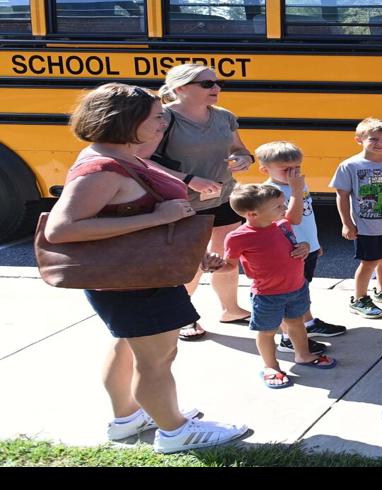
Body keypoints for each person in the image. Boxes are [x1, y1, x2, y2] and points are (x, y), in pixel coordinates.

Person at [45, 82, 248, 453]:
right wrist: (158, 218)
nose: (162, 124)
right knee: (157, 360)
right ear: (126, 121)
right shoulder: (102, 168)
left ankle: (127, 418)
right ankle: (175, 431)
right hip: (136, 282)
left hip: (133, 275)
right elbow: (60, 229)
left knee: (129, 345)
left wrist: (191, 254)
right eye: (156, 118)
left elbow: (128, 217)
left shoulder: (118, 156)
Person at [157, 63, 255, 339]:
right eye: (207, 84)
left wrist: (243, 159)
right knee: (191, 263)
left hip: (223, 196)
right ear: (180, 89)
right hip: (183, 201)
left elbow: (240, 149)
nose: (217, 88)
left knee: (226, 258)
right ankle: (182, 317)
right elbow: (144, 161)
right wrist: (190, 179)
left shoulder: (224, 116)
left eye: (217, 82)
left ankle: (230, 309)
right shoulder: (163, 118)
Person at [223, 183, 339, 388]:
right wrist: (212, 265)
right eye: (278, 206)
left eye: (283, 204)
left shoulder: (282, 225)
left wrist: (305, 247)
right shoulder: (238, 237)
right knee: (267, 332)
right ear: (253, 214)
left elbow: (294, 245)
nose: (284, 209)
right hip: (267, 294)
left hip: (296, 287)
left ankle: (303, 355)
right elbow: (229, 265)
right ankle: (271, 366)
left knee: (296, 323)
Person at [254, 140, 346, 346]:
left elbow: (307, 217)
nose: (293, 173)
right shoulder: (269, 192)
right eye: (285, 169)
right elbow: (292, 220)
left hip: (306, 248)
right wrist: (296, 191)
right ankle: (288, 337)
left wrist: (314, 243)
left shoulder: (298, 185)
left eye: (297, 167)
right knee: (288, 295)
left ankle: (308, 324)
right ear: (265, 169)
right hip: (288, 252)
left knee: (301, 291)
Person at [331, 117, 382, 318]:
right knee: (369, 262)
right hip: (365, 226)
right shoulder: (350, 165)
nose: (380, 143)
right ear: (359, 139)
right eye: (373, 139)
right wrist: (347, 224)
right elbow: (342, 196)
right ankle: (359, 299)